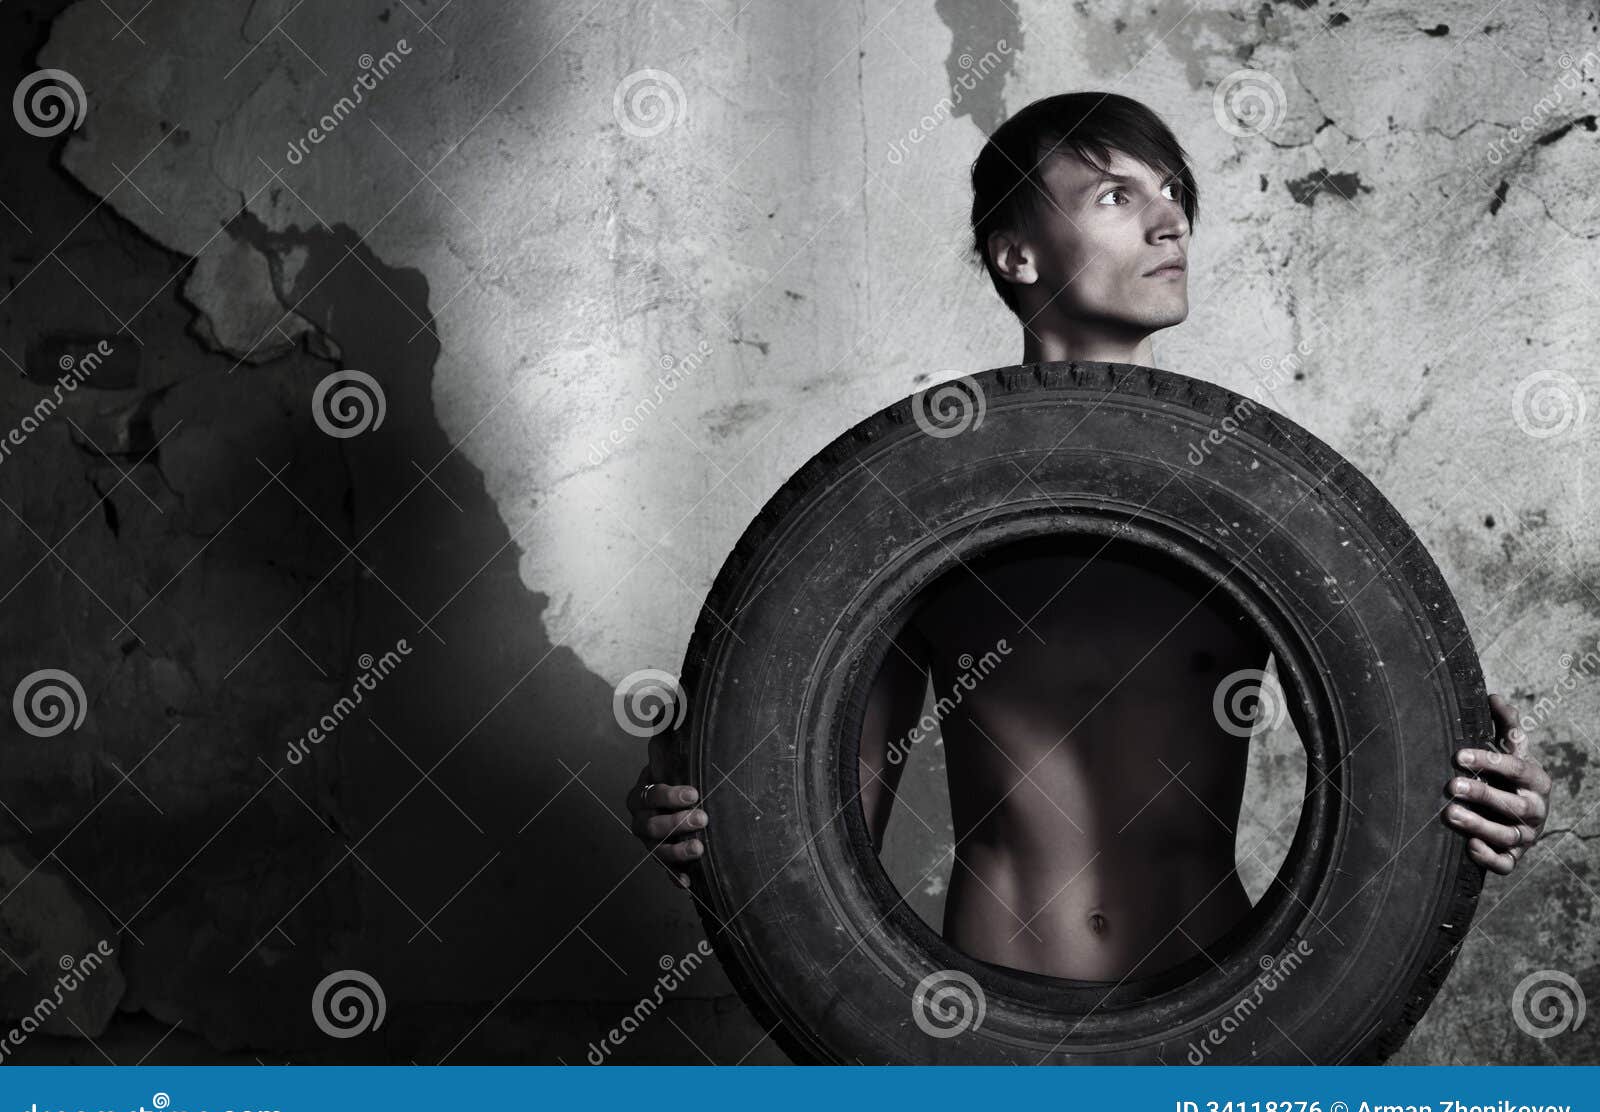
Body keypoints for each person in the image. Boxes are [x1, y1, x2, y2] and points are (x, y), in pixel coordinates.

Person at [626, 92, 1552, 982]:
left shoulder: (1255, 498)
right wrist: (713, 833)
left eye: (1174, 193)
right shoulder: (919, 514)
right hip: (987, 1021)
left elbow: (1389, 771)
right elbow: (822, 836)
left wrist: (1474, 802)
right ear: (1017, 255)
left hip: (1223, 1021)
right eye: (1117, 195)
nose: (1170, 223)